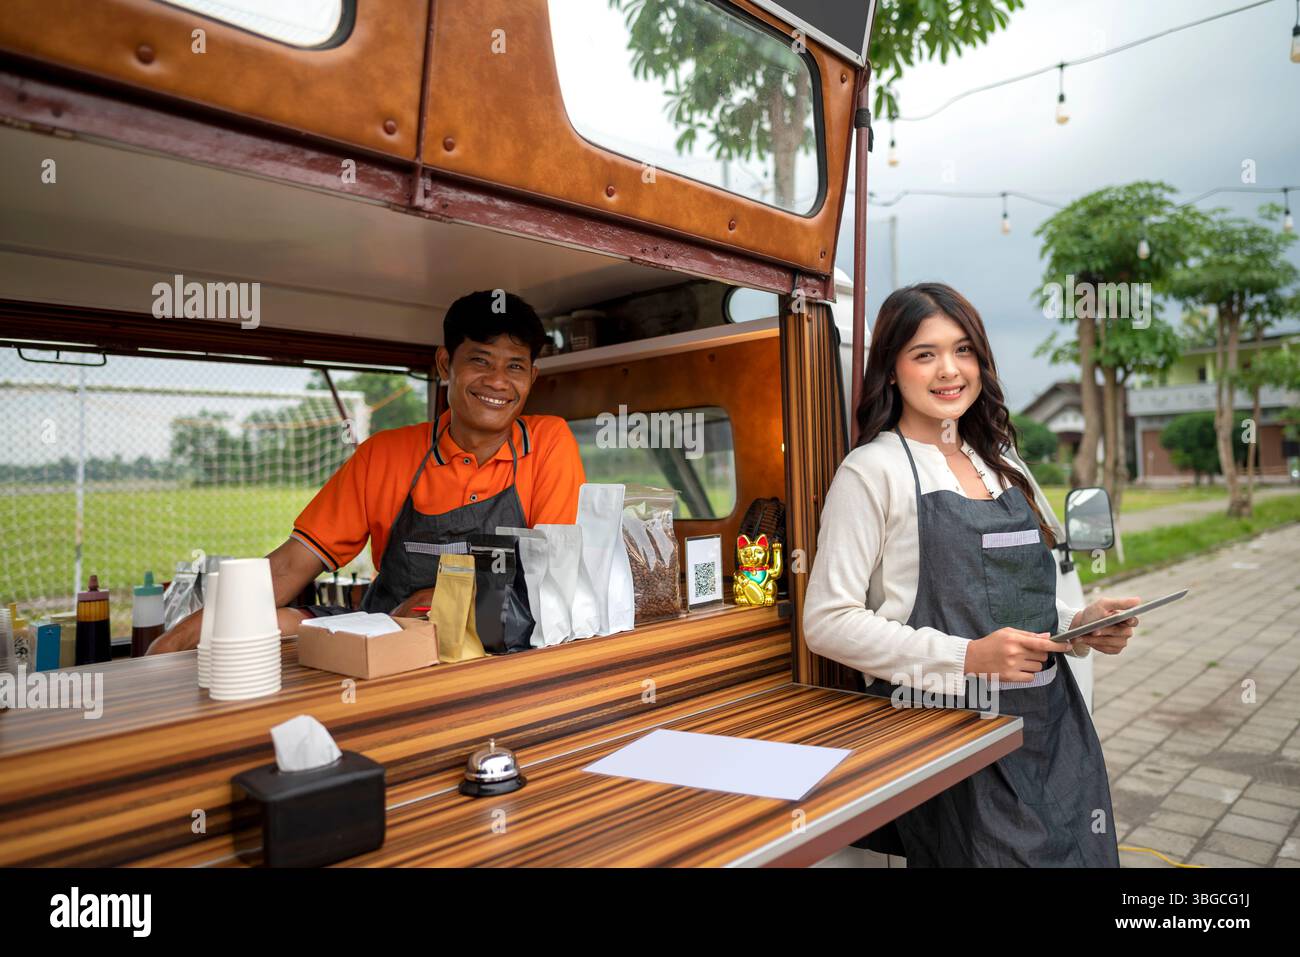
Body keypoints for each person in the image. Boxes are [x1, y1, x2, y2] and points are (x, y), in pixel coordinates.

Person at [802, 282, 1139, 867]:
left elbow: (1025, 596)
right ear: (890, 370)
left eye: (963, 350)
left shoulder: (1004, 463)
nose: (949, 371)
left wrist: (1078, 626)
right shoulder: (872, 471)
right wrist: (969, 659)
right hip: (950, 737)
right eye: (924, 354)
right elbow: (827, 622)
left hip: (1050, 728)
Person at [148, 290, 585, 654]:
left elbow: (556, 582)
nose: (497, 381)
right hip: (388, 641)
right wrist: (168, 646)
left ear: (532, 376)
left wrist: (447, 601)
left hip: (503, 647)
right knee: (266, 623)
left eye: (515, 366)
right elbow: (288, 567)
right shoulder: (385, 454)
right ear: (444, 364)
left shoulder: (548, 442)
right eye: (481, 360)